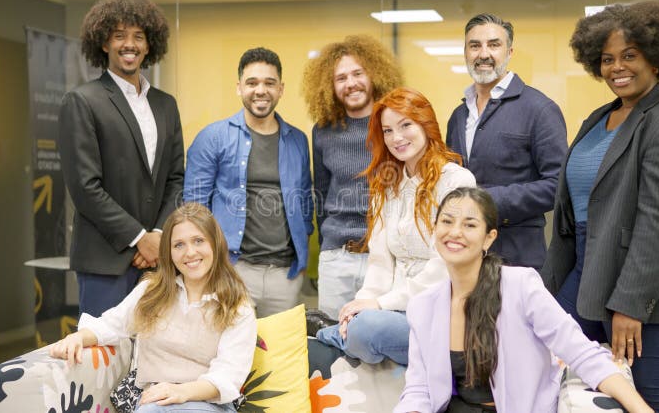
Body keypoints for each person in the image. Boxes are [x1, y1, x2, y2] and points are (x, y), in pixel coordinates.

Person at [541, 0, 659, 412]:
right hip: (583, 270)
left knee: (646, 398)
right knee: (565, 383)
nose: (617, 68)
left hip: (641, 285)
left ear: (656, 58)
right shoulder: (600, 118)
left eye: (630, 55)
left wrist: (630, 306)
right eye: (607, 59)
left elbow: (658, 225)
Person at [396, 187, 652, 413]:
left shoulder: (520, 286)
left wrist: (641, 409)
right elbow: (419, 389)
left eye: (469, 225)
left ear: (489, 237)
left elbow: (583, 354)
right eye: (447, 221)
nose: (455, 232)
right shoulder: (422, 306)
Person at [317, 87, 476, 365]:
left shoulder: (457, 181)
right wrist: (362, 305)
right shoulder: (386, 186)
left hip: (439, 311)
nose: (396, 138)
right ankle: (345, 334)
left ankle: (331, 335)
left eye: (405, 125)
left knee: (366, 330)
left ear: (426, 124)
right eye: (387, 131)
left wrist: (380, 305)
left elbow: (446, 267)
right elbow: (379, 263)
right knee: (359, 322)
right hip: (391, 312)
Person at [49, 203, 256, 412]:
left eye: (198, 241)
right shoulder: (151, 291)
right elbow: (111, 325)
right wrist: (77, 338)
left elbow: (227, 375)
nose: (190, 252)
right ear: (169, 252)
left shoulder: (237, 306)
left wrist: (181, 392)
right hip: (153, 399)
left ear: (215, 244)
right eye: (179, 245)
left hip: (208, 402)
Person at [59, 0, 185, 317]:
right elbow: (85, 188)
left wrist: (158, 237)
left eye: (138, 36)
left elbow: (176, 179)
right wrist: (139, 238)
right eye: (119, 36)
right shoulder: (82, 101)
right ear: (104, 43)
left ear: (149, 44)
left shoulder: (166, 104)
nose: (129, 44)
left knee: (155, 348)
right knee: (105, 348)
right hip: (105, 263)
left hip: (156, 262)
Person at [183, 47, 313, 318]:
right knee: (232, 344)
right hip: (233, 270)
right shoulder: (213, 137)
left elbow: (304, 203)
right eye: (252, 83)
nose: (260, 90)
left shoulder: (297, 140)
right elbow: (194, 211)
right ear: (239, 87)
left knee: (279, 346)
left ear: (281, 89)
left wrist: (301, 259)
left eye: (269, 83)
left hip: (286, 275)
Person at [445, 13, 567, 269]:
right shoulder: (459, 116)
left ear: (510, 52)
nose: (483, 54)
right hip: (463, 257)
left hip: (517, 258)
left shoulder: (539, 109)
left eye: (494, 45)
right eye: (474, 46)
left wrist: (488, 200)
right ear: (465, 52)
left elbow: (557, 185)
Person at [303, 35, 403, 320]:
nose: (351, 83)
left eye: (358, 73)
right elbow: (321, 195)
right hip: (337, 258)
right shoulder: (323, 131)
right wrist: (330, 244)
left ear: (375, 75)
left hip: (386, 258)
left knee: (378, 337)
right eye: (341, 78)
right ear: (330, 87)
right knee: (332, 337)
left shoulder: (395, 126)